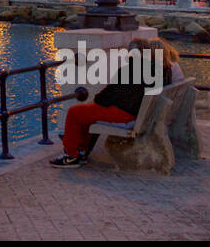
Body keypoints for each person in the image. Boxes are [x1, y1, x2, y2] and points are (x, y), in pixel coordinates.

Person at [49, 38, 173, 168]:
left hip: (126, 114)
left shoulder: (130, 70)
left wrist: (98, 100)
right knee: (87, 113)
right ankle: (81, 151)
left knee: (75, 112)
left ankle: (71, 155)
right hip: (138, 113)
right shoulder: (158, 70)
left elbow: (107, 96)